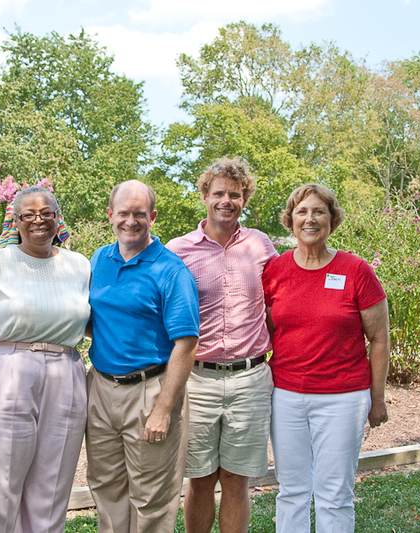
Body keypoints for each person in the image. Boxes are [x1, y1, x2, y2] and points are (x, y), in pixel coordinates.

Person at [0, 186, 90, 533]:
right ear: (15, 221)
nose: (38, 220)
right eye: (28, 214)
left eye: (46, 212)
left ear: (58, 218)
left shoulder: (78, 266)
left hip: (66, 373)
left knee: (53, 484)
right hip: (7, 371)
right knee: (1, 484)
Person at [263, 183, 390, 533]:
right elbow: (270, 330)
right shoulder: (275, 270)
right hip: (286, 396)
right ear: (290, 220)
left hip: (343, 398)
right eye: (302, 212)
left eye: (319, 211)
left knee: (334, 493)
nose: (310, 219)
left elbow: (379, 338)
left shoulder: (356, 270)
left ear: (332, 219)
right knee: (291, 490)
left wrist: (376, 400)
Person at [166, 158, 277, 533]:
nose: (226, 200)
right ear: (204, 196)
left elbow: (279, 303)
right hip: (197, 379)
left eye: (235, 194)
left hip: (251, 378)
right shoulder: (178, 250)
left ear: (244, 198)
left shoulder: (261, 244)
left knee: (236, 479)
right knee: (198, 479)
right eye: (218, 193)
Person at [86, 180, 200, 533]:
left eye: (139, 214)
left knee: (151, 499)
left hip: (151, 390)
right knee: (107, 490)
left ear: (152, 216)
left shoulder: (171, 271)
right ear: (110, 215)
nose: (131, 221)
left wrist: (164, 408)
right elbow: (96, 321)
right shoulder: (98, 259)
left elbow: (186, 343)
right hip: (102, 387)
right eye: (123, 213)